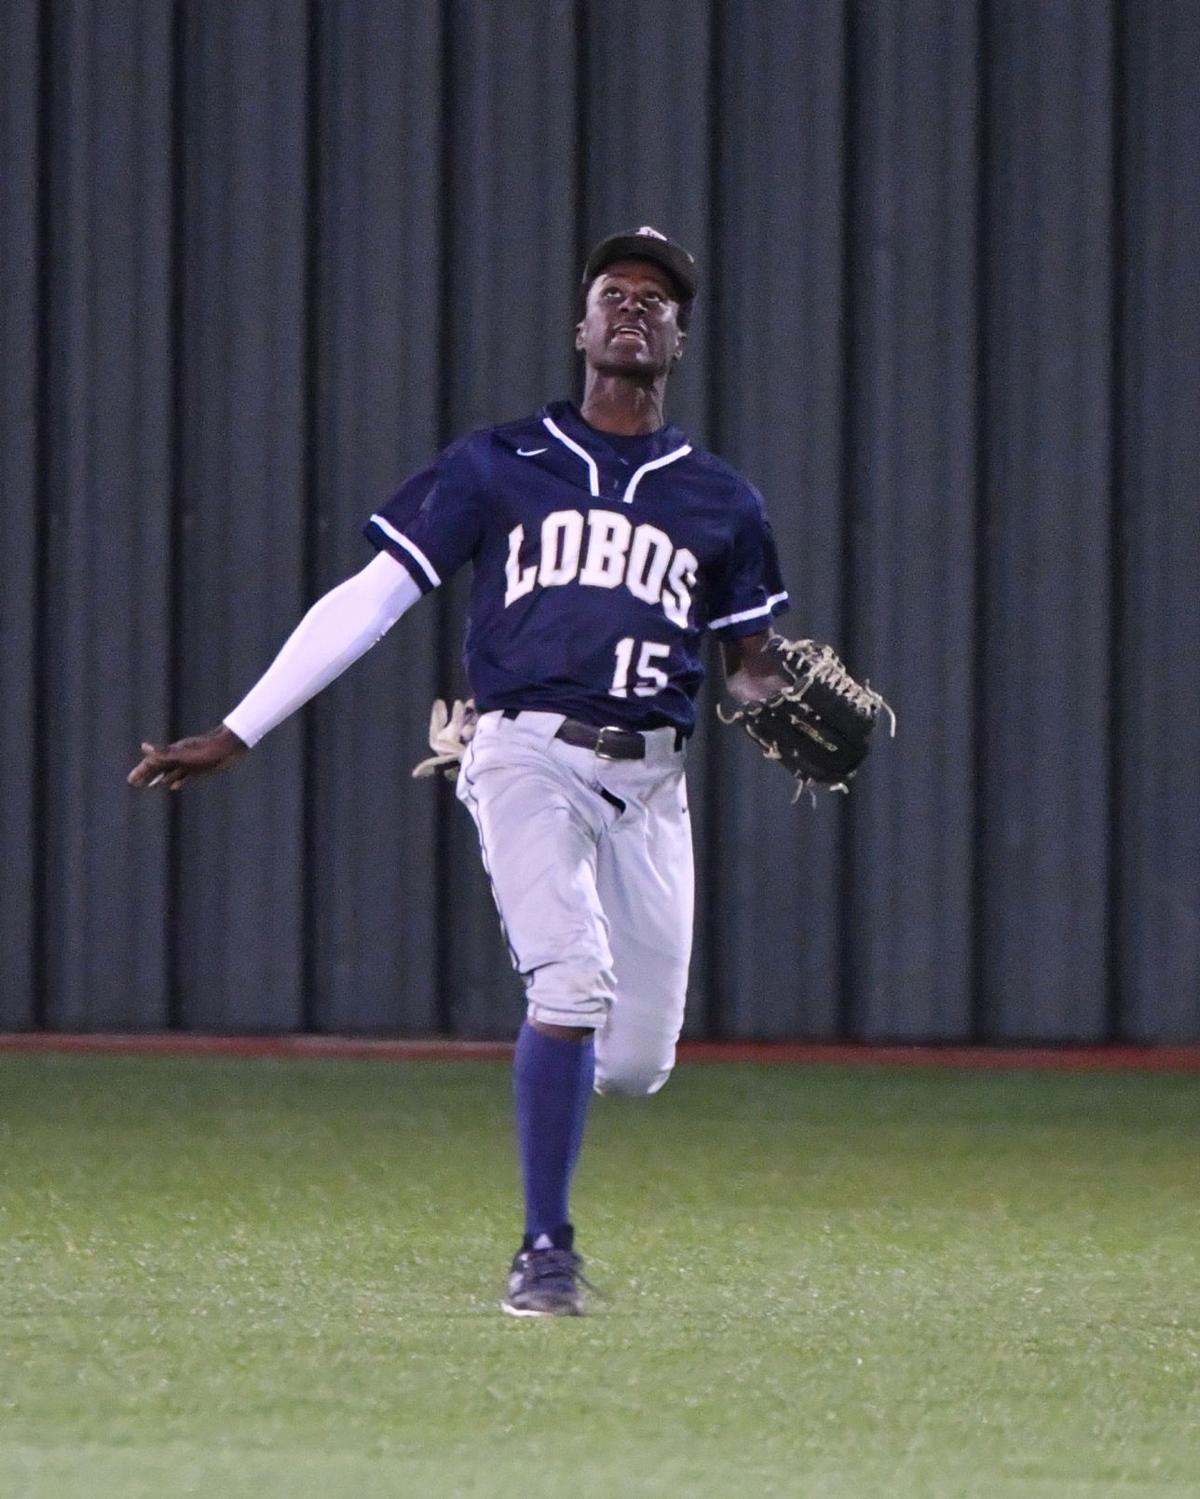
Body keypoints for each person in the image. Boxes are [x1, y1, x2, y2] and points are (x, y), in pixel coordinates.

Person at [129, 228, 791, 1317]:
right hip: (524, 748)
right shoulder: (500, 461)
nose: (634, 308)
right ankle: (545, 1247)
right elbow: (375, 594)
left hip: (654, 783)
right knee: (570, 978)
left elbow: (751, 668)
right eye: (614, 293)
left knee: (637, 1062)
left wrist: (778, 703)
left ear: (679, 337)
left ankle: (572, 1106)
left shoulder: (723, 500)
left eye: (657, 301)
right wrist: (239, 728)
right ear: (581, 328)